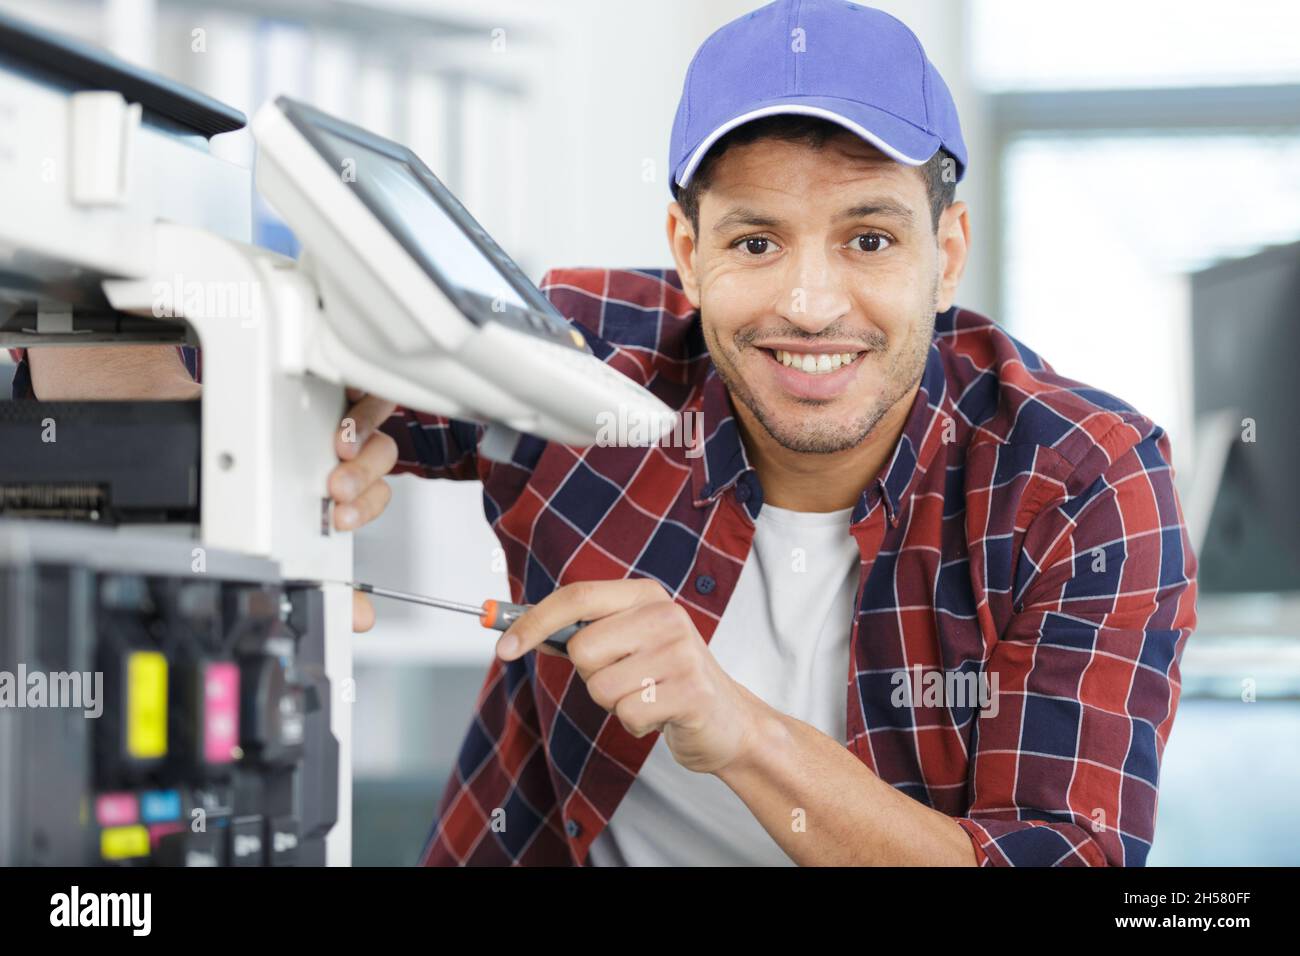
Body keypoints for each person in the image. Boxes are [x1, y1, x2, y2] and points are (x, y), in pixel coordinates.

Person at [12, 0, 1197, 867]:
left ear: (947, 253)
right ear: (687, 254)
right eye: (753, 240)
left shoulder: (1082, 480)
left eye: (870, 238)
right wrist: (294, 449)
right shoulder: (588, 355)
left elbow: (1062, 863)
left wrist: (734, 725)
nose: (810, 303)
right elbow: (202, 361)